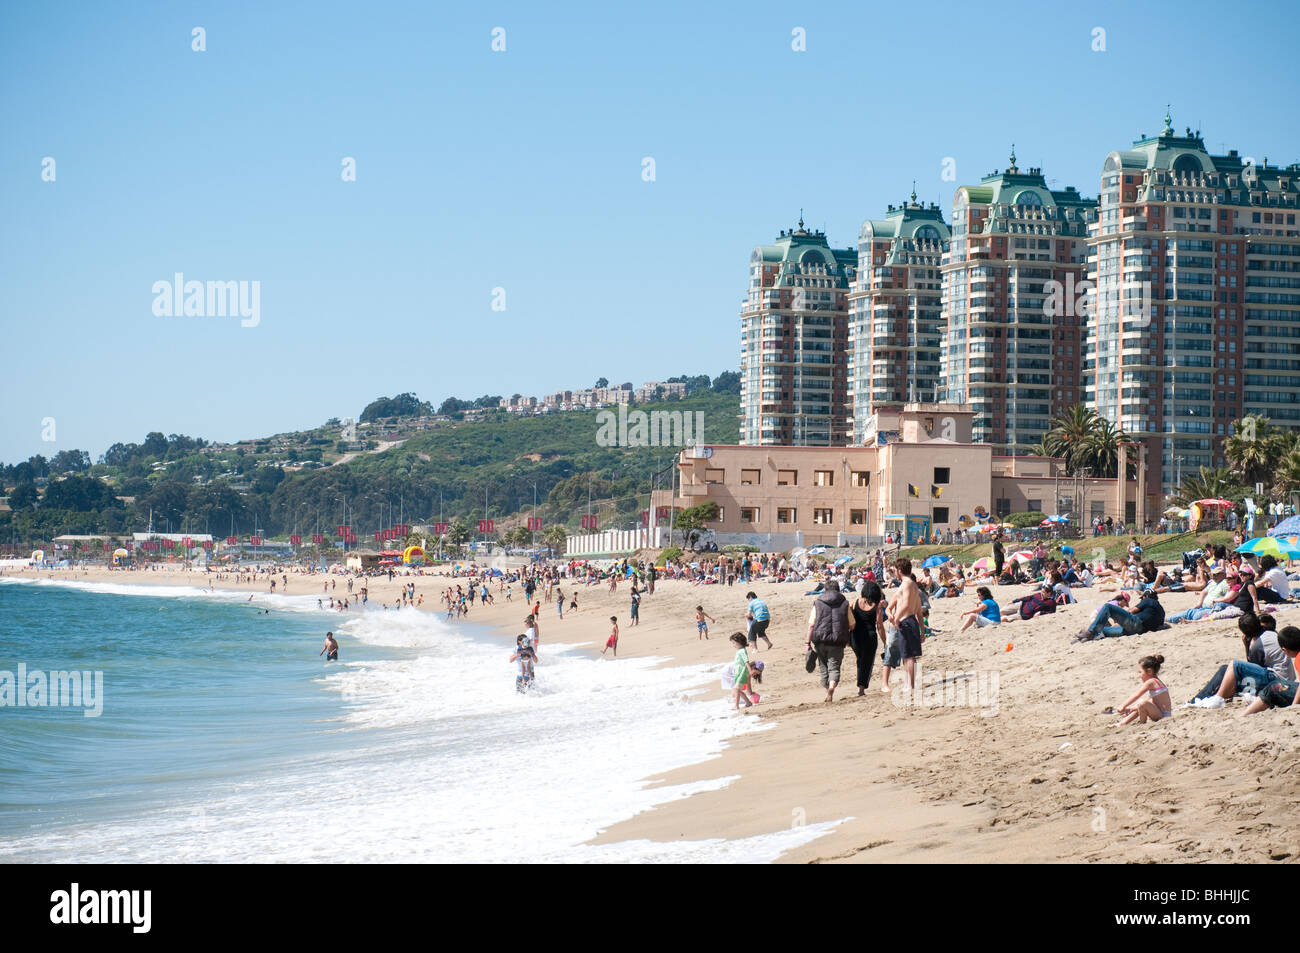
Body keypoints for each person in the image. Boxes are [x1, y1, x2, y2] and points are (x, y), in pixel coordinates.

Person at [805, 579, 854, 703]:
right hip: (838, 641)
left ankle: (827, 689)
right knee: (834, 666)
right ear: (838, 589)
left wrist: (807, 642)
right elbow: (852, 624)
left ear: (825, 590)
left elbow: (811, 625)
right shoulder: (844, 603)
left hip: (820, 640)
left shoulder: (818, 603)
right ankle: (832, 686)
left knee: (823, 667)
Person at [1236, 626, 1300, 716]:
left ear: (1285, 650)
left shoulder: (1298, 658)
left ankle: (1244, 715)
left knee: (1273, 687)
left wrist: (1294, 706)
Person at [885, 557, 923, 691]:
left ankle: (910, 685)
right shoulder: (912, 584)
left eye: (895, 570)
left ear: (899, 570)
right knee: (906, 655)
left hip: (906, 621)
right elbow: (918, 609)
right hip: (910, 620)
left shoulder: (907, 583)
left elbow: (906, 604)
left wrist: (896, 618)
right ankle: (908, 683)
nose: (894, 573)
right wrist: (922, 630)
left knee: (909, 656)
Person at [1072, 590, 1164, 641]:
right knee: (1104, 630)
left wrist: (1122, 617)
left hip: (1135, 623)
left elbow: (1132, 611)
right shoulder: (1162, 612)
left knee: (1108, 607)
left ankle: (1090, 632)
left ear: (1145, 596)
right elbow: (1160, 627)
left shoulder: (1148, 600)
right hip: (1139, 631)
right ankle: (1086, 638)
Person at [850, 581, 886, 695]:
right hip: (870, 637)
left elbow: (849, 615)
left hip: (855, 637)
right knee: (867, 662)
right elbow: (880, 626)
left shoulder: (855, 602)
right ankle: (861, 689)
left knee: (860, 660)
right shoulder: (877, 606)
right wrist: (885, 642)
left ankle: (860, 686)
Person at [1114, 655, 1171, 726]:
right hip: (1161, 713)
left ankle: (1142, 723)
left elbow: (1137, 695)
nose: (1139, 675)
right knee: (1141, 704)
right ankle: (1121, 723)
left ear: (1149, 671)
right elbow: (1151, 701)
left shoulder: (1151, 682)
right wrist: (1131, 709)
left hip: (1162, 716)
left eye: (1140, 672)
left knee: (1142, 703)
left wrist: (1123, 706)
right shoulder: (1157, 682)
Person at [727, 632, 756, 711]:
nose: (733, 645)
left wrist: (750, 670)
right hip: (738, 674)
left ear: (739, 642)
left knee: (736, 689)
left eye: (734, 643)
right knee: (737, 690)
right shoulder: (739, 651)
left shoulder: (742, 651)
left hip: (742, 674)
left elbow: (746, 661)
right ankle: (748, 703)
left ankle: (736, 706)